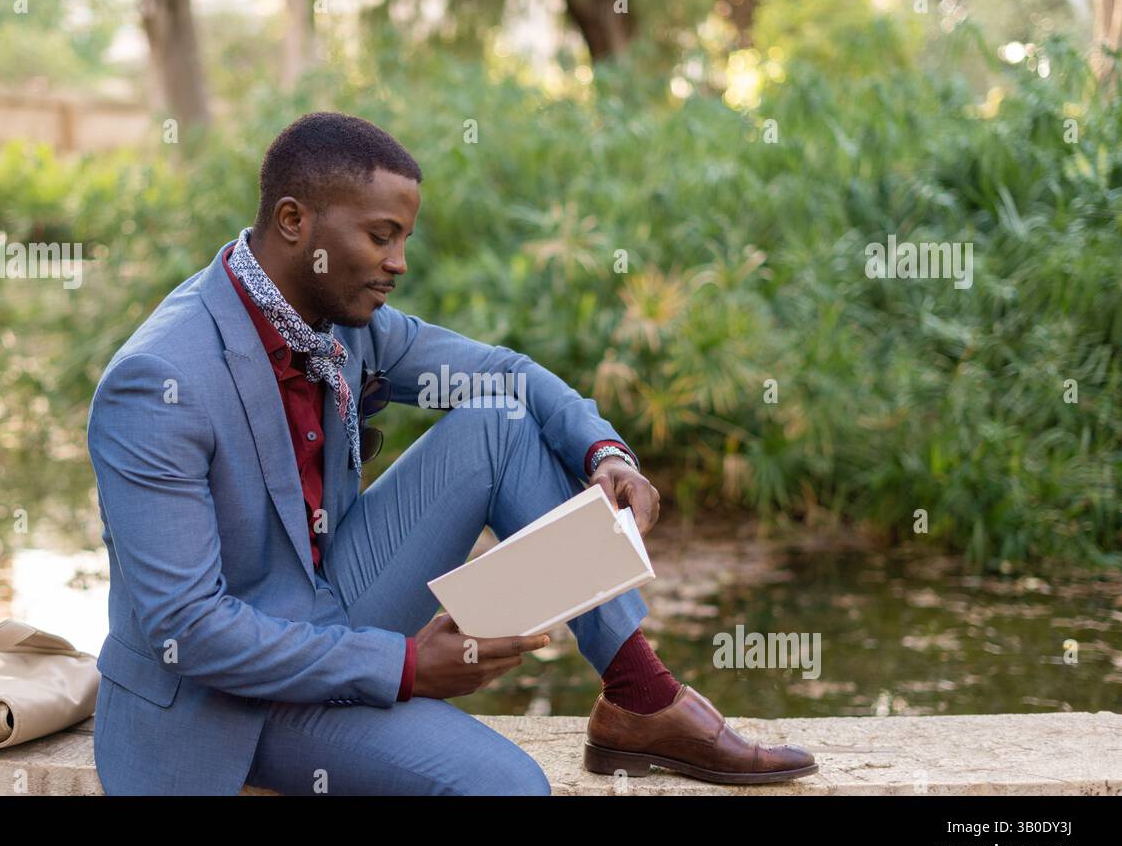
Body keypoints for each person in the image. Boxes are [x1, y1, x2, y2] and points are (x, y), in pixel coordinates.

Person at [86, 111, 818, 795]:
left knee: (498, 423)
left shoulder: (340, 318)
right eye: (381, 236)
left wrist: (606, 452)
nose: (398, 262)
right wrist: (405, 666)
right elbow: (189, 630)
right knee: (509, 788)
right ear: (293, 222)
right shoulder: (160, 381)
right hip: (230, 700)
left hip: (332, 599)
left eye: (404, 238)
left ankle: (639, 698)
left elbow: (507, 375)